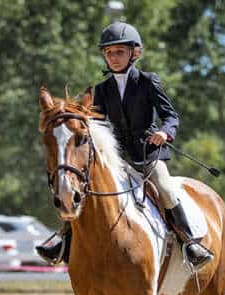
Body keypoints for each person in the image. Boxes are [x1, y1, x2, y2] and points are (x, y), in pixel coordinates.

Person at [37, 21, 214, 269]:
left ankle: (191, 242)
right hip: (118, 158)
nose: (114, 58)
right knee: (86, 190)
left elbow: (171, 116)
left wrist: (165, 132)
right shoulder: (101, 90)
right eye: (109, 53)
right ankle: (63, 238)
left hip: (148, 154)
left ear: (135, 53)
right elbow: (88, 120)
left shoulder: (148, 81)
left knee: (164, 187)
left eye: (119, 52)